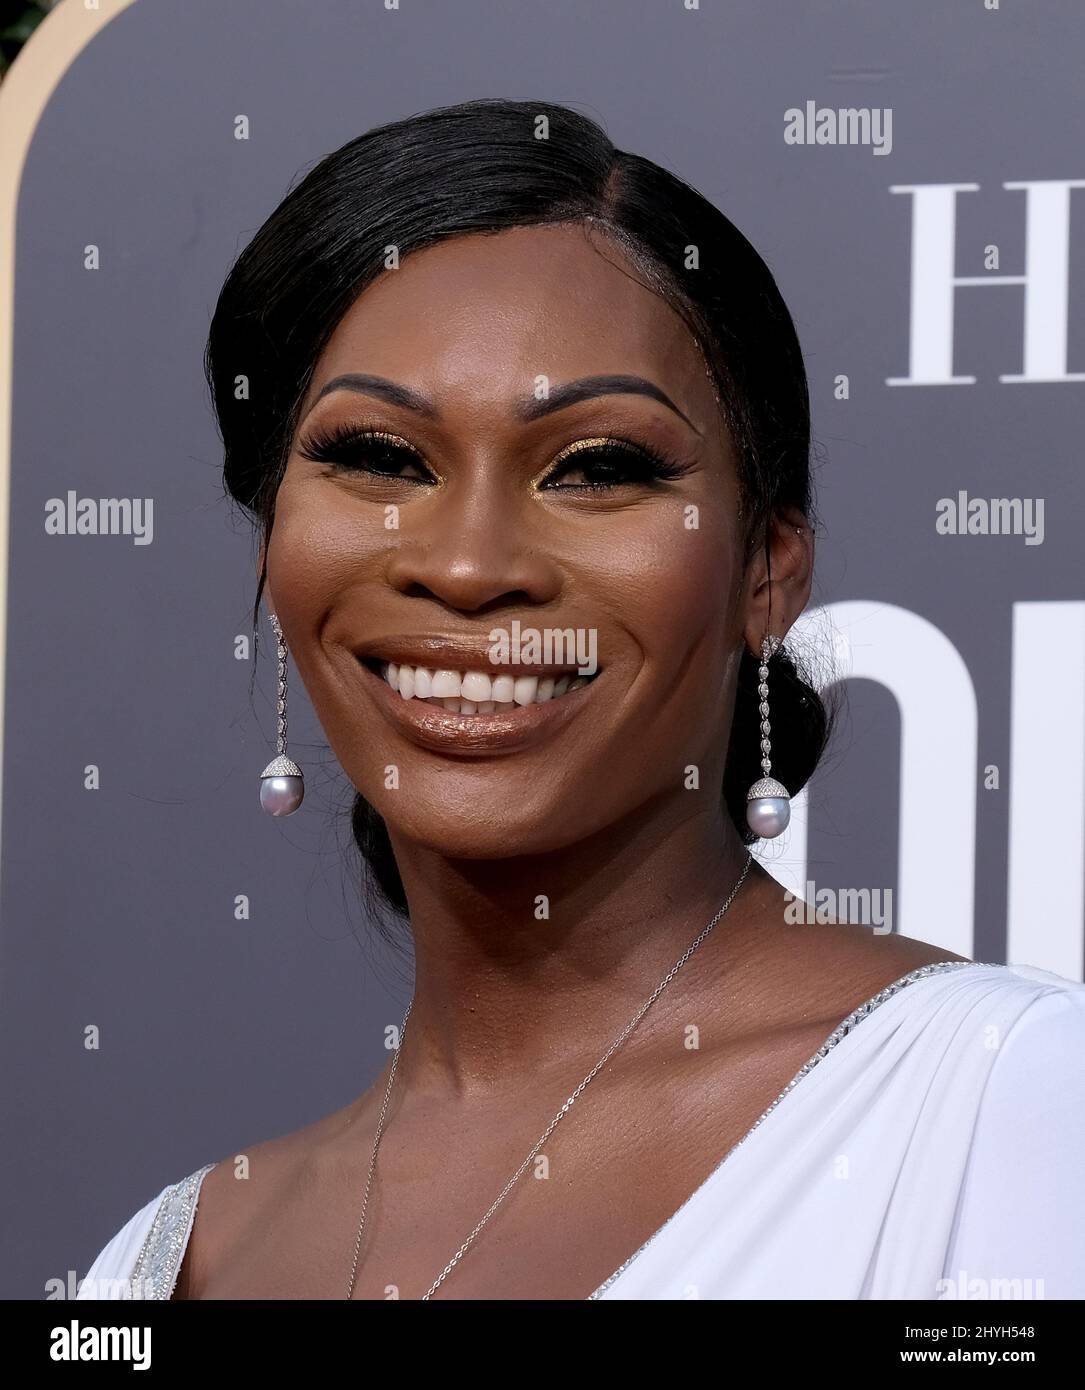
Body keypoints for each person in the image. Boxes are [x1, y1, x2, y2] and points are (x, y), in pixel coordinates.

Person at [78, 97, 1085, 1301]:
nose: (463, 564)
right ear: (270, 553)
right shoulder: (151, 1267)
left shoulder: (1006, 1109)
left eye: (597, 467)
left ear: (767, 570)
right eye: (379, 459)